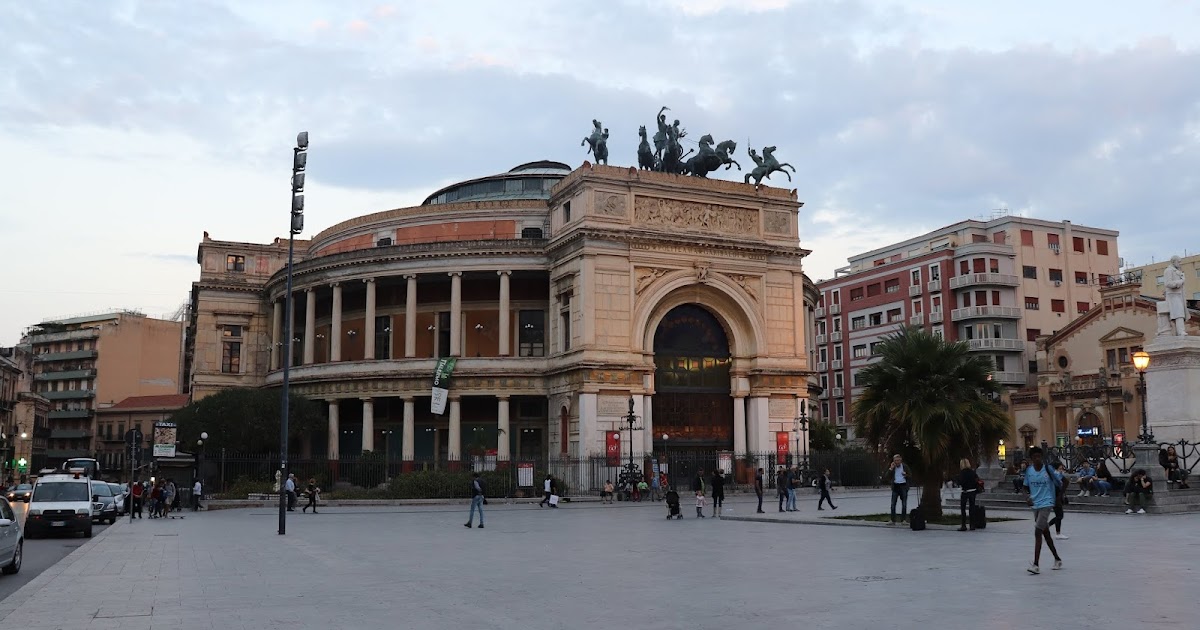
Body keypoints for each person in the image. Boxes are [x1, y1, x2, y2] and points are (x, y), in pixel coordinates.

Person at [1023, 446, 1063, 574]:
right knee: (1046, 534)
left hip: (1047, 503)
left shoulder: (1048, 469)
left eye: (1039, 456)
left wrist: (1058, 497)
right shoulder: (1029, 471)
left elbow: (1063, 481)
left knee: (1037, 531)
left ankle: (1036, 564)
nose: (1037, 459)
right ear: (1031, 459)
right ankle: (1057, 559)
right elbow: (1024, 487)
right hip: (1035, 504)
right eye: (1034, 457)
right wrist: (1027, 497)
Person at [1047, 462, 1069, 540]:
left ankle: (1057, 532)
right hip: (1055, 497)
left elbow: (1065, 482)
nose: (1061, 469)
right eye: (1060, 468)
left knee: (1058, 515)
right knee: (1060, 515)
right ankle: (1048, 527)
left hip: (1056, 497)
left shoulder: (1056, 475)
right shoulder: (1055, 475)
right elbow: (1065, 482)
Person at [888, 454, 912, 525]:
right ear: (893, 461)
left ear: (901, 460)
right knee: (893, 504)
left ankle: (903, 520)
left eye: (898, 460)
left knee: (904, 504)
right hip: (895, 486)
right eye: (895, 461)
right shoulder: (893, 467)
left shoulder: (905, 467)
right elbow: (886, 476)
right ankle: (892, 520)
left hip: (903, 486)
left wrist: (906, 475)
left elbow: (910, 475)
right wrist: (891, 469)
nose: (897, 462)